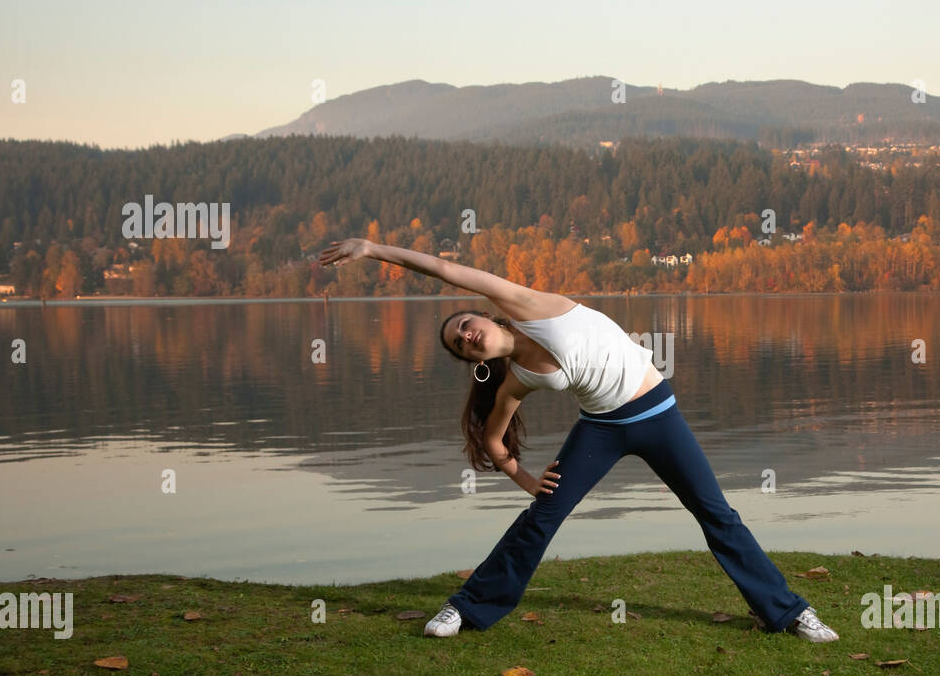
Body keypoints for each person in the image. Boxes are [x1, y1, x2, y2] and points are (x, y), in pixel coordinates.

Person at [318, 236, 838, 642]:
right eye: (460, 344)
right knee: (540, 519)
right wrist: (526, 480)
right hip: (602, 429)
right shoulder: (515, 380)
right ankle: (466, 609)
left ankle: (790, 614)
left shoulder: (527, 304)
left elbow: (447, 270)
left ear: (486, 315)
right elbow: (495, 442)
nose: (466, 335)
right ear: (475, 362)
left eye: (466, 324)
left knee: (715, 513)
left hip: (657, 413)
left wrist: (372, 250)